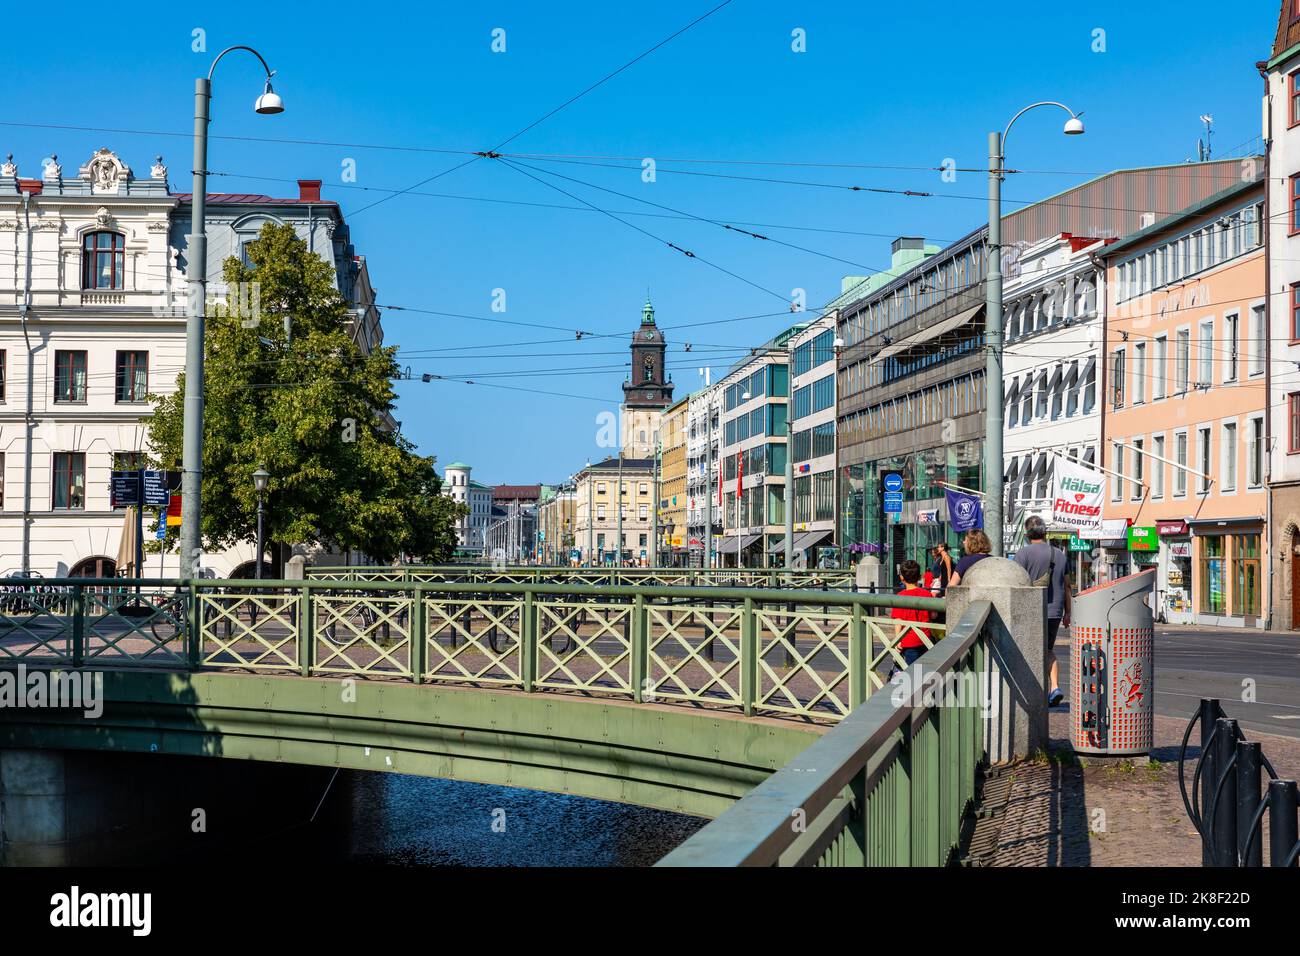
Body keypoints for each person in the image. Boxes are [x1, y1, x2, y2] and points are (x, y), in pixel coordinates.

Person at [1014, 516, 1072, 707]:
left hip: (1030, 610)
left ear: (1027, 533)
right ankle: (1054, 686)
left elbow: (1017, 585)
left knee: (1029, 650)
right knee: (1047, 650)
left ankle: (1033, 693)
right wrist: (1068, 613)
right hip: (1055, 611)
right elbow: (1067, 586)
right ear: (1045, 532)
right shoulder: (1060, 555)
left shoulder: (1022, 554)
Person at [889, 559, 934, 674]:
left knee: (912, 674)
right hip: (925, 639)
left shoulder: (899, 596)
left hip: (908, 642)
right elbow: (933, 614)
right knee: (926, 673)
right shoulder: (927, 594)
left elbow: (898, 622)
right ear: (919, 577)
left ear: (902, 578)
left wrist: (897, 642)